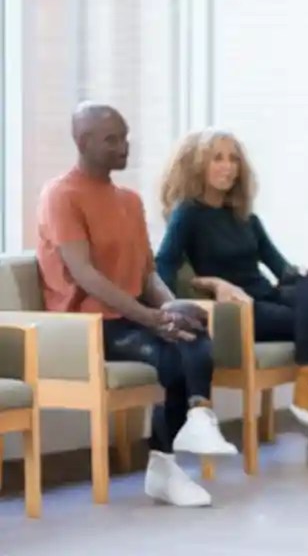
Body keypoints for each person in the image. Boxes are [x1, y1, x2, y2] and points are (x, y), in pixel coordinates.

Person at [36, 103, 238, 509]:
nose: (124, 146)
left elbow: (147, 275)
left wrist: (171, 308)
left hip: (130, 316)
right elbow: (84, 274)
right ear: (83, 142)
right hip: (86, 326)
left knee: (192, 324)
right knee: (172, 356)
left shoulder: (129, 200)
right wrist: (151, 318)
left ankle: (190, 428)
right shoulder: (61, 194)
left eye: (125, 136)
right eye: (112, 139)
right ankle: (168, 458)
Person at [154, 129, 308, 465]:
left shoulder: (246, 219)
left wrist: (306, 275)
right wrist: (206, 286)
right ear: (197, 166)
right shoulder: (188, 214)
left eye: (234, 159)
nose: (228, 167)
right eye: (218, 158)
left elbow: (281, 269)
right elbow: (164, 265)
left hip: (266, 297)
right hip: (238, 312)